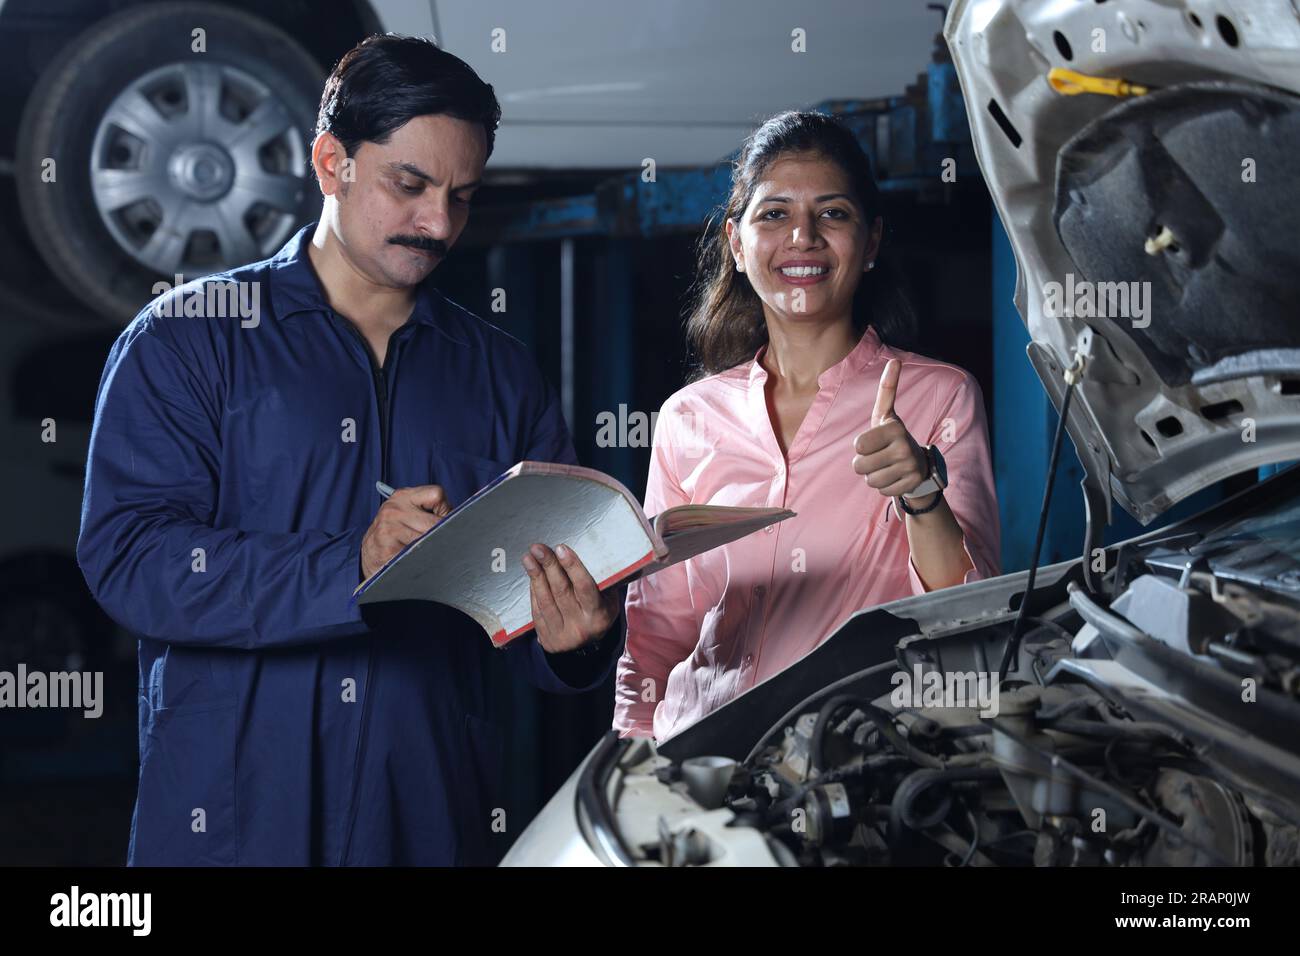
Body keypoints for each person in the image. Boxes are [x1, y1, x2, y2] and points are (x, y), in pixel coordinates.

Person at [76, 34, 622, 866]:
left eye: (462, 197)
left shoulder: (498, 372)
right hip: (234, 816)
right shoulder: (190, 339)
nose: (438, 223)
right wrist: (352, 564)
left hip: (426, 812)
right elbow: (130, 558)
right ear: (331, 161)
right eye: (410, 185)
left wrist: (577, 641)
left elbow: (538, 623)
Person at [613, 111, 1001, 742]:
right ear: (737, 245)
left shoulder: (937, 396)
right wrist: (628, 756)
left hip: (856, 767)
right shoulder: (689, 417)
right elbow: (658, 627)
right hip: (701, 760)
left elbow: (970, 616)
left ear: (871, 242)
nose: (803, 236)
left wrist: (922, 496)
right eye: (774, 214)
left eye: (833, 213)